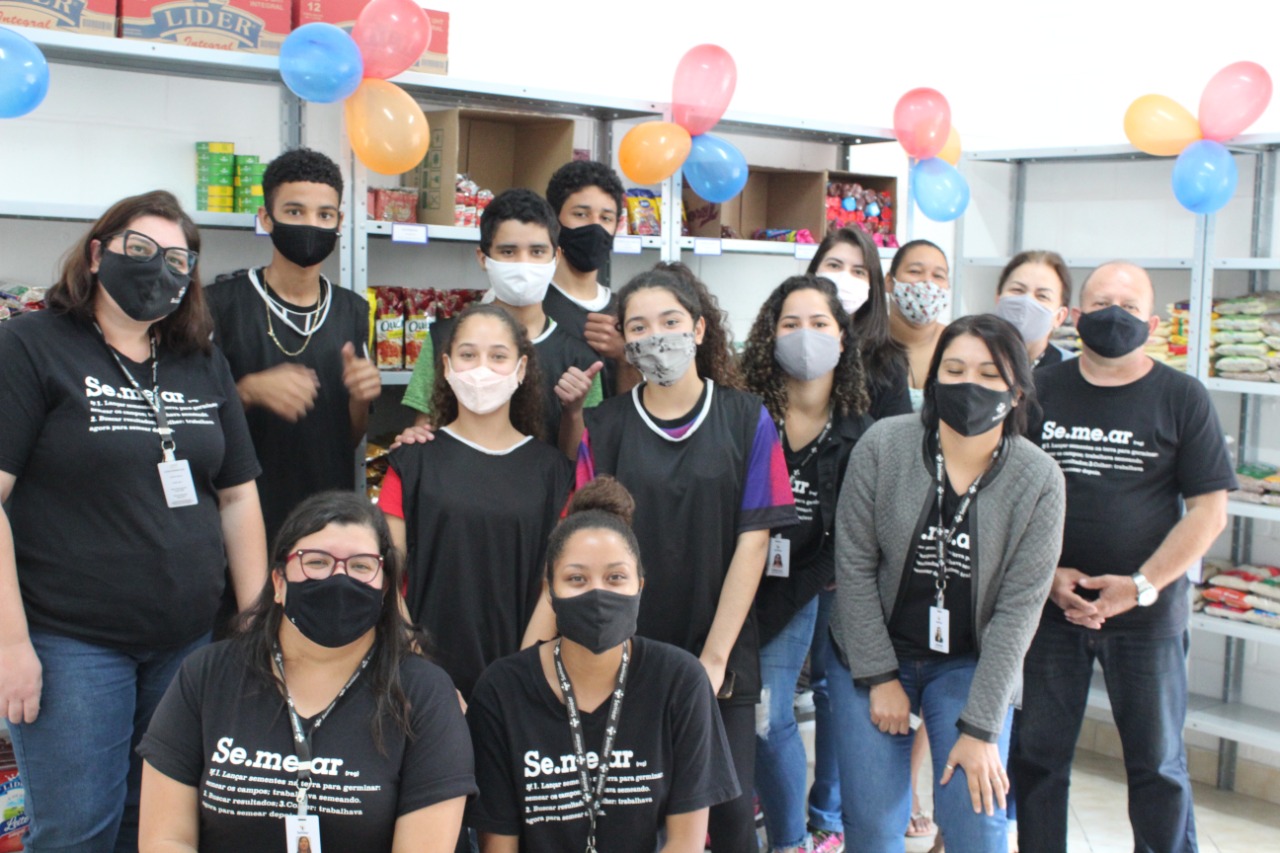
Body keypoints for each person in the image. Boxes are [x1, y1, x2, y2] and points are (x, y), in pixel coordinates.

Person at [0, 190, 267, 851]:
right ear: (97, 254)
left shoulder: (200, 359)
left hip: (187, 642)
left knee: (157, 827)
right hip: (71, 642)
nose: (159, 269)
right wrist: (10, 644)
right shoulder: (30, 346)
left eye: (178, 259)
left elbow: (237, 497)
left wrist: (256, 616)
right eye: (140, 250)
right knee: (78, 831)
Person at [544, 262, 798, 853]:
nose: (655, 336)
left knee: (730, 822)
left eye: (670, 321)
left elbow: (755, 540)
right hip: (623, 655)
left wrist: (714, 658)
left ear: (699, 329)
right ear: (624, 341)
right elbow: (584, 547)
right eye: (639, 327)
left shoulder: (747, 418)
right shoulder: (603, 427)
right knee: (628, 819)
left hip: (721, 656)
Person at [1011, 262, 1235, 853]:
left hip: (1146, 615)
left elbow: (1209, 511)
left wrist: (1139, 585)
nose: (1115, 315)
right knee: (1036, 757)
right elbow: (1008, 494)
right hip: (1049, 609)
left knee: (1157, 764)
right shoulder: (1039, 390)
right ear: (1075, 317)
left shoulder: (1182, 396)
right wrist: (1046, 576)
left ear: (1153, 324)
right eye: (1102, 303)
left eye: (1130, 307)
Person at [826, 313, 1066, 852]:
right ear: (933, 380)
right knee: (873, 829)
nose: (969, 385)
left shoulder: (1039, 479)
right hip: (872, 653)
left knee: (978, 826)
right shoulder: (884, 445)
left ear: (1017, 391)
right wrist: (879, 676)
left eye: (989, 373)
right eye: (954, 370)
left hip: (967, 663)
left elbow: (1019, 612)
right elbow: (854, 566)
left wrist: (981, 728)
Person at [137, 491, 476, 851]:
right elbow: (165, 839)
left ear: (385, 589)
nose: (339, 578)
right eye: (317, 562)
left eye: (361, 566)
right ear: (278, 582)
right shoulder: (206, 676)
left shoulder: (423, 694)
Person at [466, 477, 741, 852]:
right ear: (550, 590)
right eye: (576, 578)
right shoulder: (502, 691)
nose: (597, 594)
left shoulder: (680, 681)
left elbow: (684, 843)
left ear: (639, 586)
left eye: (615, 578)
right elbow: (499, 846)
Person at [739, 275, 874, 853]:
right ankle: (782, 831)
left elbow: (854, 539)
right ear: (770, 337)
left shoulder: (862, 436)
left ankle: (816, 827)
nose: (805, 335)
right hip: (751, 579)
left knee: (825, 701)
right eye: (790, 324)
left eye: (819, 323)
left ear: (842, 338)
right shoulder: (744, 415)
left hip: (825, 582)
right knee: (760, 716)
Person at [383, 304, 575, 700]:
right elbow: (385, 576)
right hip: (422, 685)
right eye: (468, 355)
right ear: (447, 366)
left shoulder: (553, 472)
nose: (481, 368)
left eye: (498, 356)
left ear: (521, 369)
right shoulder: (410, 462)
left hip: (521, 685)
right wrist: (423, 674)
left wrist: (518, 679)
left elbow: (554, 585)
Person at [206, 148, 381, 542]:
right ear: (266, 218)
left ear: (339, 222)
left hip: (327, 520)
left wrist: (359, 399)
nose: (311, 225)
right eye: (295, 211)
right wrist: (245, 392)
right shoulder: (218, 306)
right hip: (241, 516)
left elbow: (350, 438)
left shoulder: (353, 310)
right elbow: (191, 425)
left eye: (325, 215)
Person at [401, 188, 603, 447]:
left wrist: (573, 413)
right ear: (483, 258)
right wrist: (414, 439)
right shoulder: (444, 339)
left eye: (537, 251)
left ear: (556, 258)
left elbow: (583, 457)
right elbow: (425, 430)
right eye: (508, 252)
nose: (523, 264)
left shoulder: (580, 359)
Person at [544, 159, 640, 396]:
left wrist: (626, 357)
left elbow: (639, 406)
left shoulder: (627, 310)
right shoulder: (533, 306)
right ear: (553, 220)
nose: (595, 228)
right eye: (581, 214)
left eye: (606, 218)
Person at [807, 225, 912, 419]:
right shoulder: (789, 341)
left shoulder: (887, 363)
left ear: (872, 286)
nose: (844, 277)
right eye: (834, 266)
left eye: (858, 271)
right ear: (814, 272)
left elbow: (895, 432)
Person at [885, 239, 952, 411]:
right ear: (889, 282)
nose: (927, 283)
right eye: (915, 271)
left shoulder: (957, 344)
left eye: (938, 276)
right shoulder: (865, 343)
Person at [992, 250, 1073, 370]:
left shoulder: (1070, 369)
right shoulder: (969, 359)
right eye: (1017, 290)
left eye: (1042, 296)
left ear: (1060, 317)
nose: (1027, 301)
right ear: (998, 299)